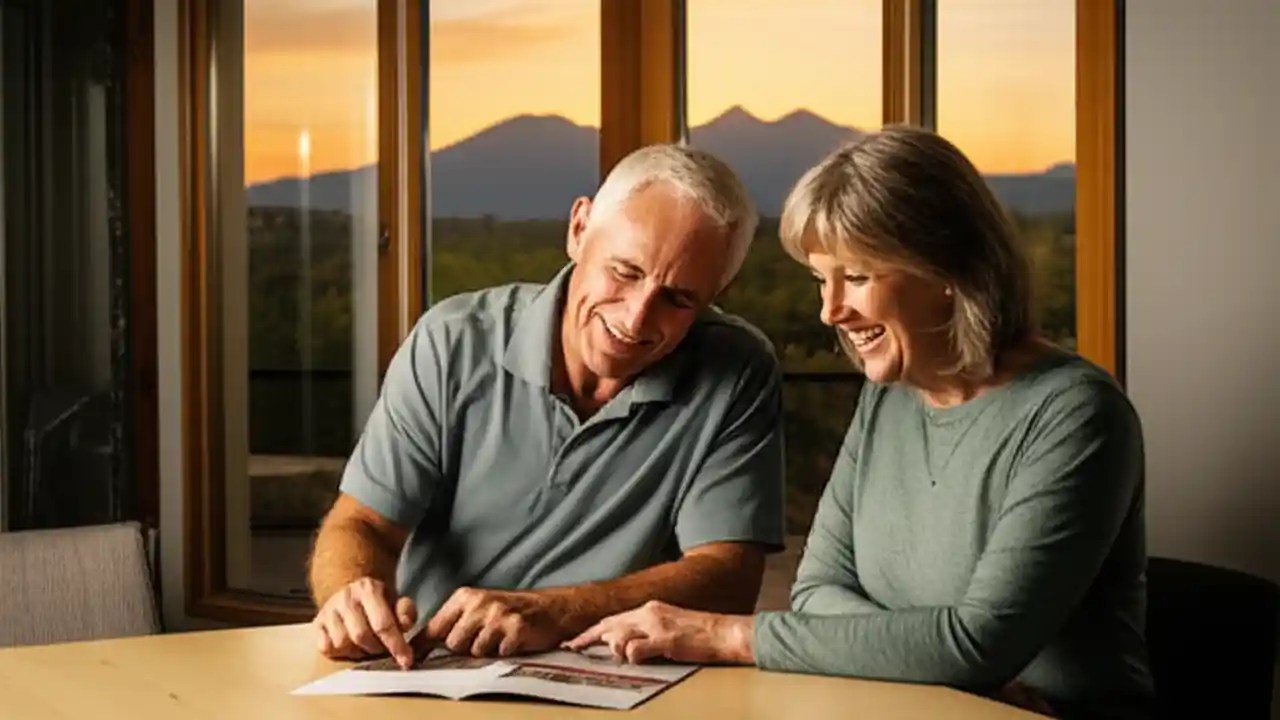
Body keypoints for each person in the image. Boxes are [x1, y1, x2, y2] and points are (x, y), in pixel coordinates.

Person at [567, 127, 1154, 719]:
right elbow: (815, 594)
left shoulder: (1076, 414)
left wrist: (726, 634)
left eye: (858, 278)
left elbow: (978, 643)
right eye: (821, 279)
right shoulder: (888, 397)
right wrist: (936, 665)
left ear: (947, 269)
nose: (831, 310)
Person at [307, 144, 786, 670]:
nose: (636, 318)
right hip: (428, 668)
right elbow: (363, 524)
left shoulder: (738, 369)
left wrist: (557, 612)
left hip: (619, 679)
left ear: (719, 290)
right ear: (579, 229)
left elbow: (729, 575)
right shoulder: (452, 342)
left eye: (678, 299)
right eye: (625, 271)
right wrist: (351, 595)